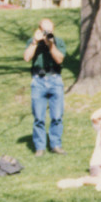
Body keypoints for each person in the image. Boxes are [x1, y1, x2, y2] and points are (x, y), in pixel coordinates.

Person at [24, 17, 67, 155]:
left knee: (57, 116)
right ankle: (40, 147)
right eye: (44, 30)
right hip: (38, 81)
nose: (47, 33)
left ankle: (56, 145)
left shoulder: (58, 42)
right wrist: (35, 42)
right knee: (38, 117)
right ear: (39, 30)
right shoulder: (33, 42)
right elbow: (26, 57)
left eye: (50, 30)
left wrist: (51, 45)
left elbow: (59, 59)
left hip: (55, 80)